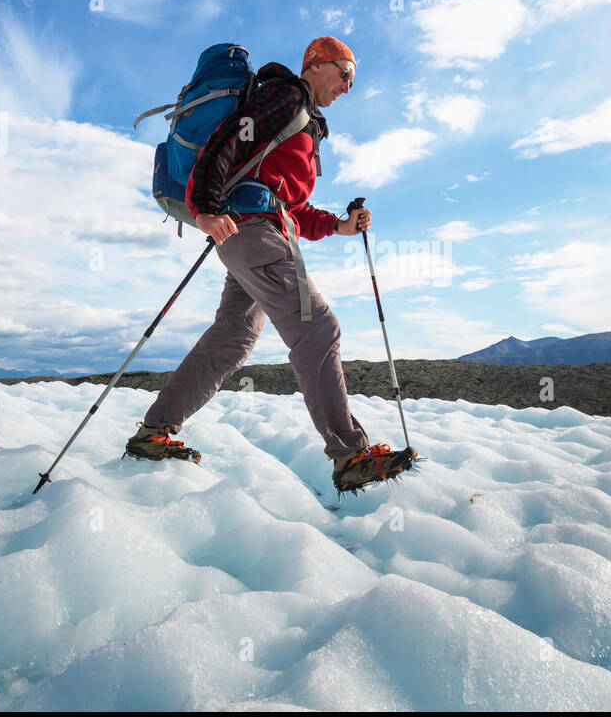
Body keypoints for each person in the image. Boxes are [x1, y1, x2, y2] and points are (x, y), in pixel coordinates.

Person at [124, 35, 416, 492]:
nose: (347, 87)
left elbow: (289, 206)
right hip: (251, 233)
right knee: (318, 327)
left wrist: (340, 225)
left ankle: (153, 432)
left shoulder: (305, 122)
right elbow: (226, 139)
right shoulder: (285, 95)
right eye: (345, 74)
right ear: (316, 64)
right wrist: (203, 208)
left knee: (233, 336)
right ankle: (349, 454)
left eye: (352, 80)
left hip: (259, 231)